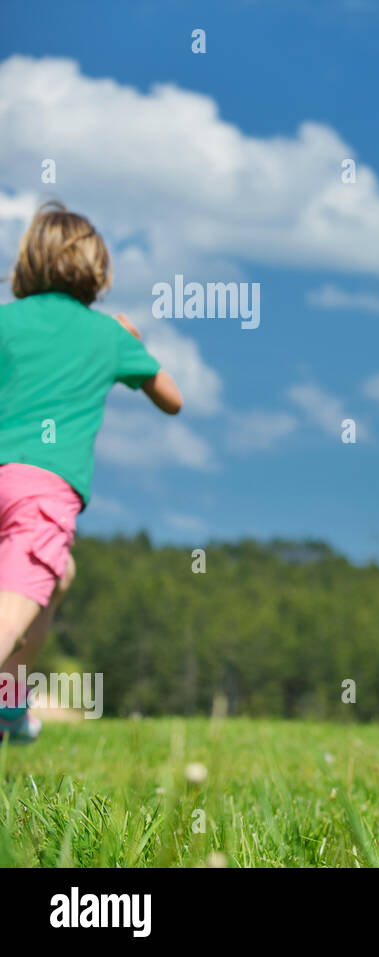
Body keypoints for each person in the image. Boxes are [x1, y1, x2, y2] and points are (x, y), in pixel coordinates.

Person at [0, 202, 183, 742]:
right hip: (42, 490)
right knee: (17, 603)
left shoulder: (6, 319)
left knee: (59, 576)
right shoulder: (108, 335)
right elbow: (172, 399)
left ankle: (10, 700)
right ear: (96, 270)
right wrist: (132, 344)